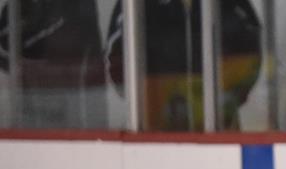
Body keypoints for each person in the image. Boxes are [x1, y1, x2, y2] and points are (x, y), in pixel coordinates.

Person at [105, 0, 262, 131]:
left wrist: (229, 94)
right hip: (153, 128)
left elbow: (255, 52)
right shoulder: (137, 4)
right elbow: (117, 59)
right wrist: (146, 98)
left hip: (220, 126)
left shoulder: (231, 3)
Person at [0, 0, 107, 129]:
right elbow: (8, 50)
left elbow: (76, 41)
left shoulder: (78, 7)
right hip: (32, 98)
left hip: (75, 95)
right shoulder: (17, 7)